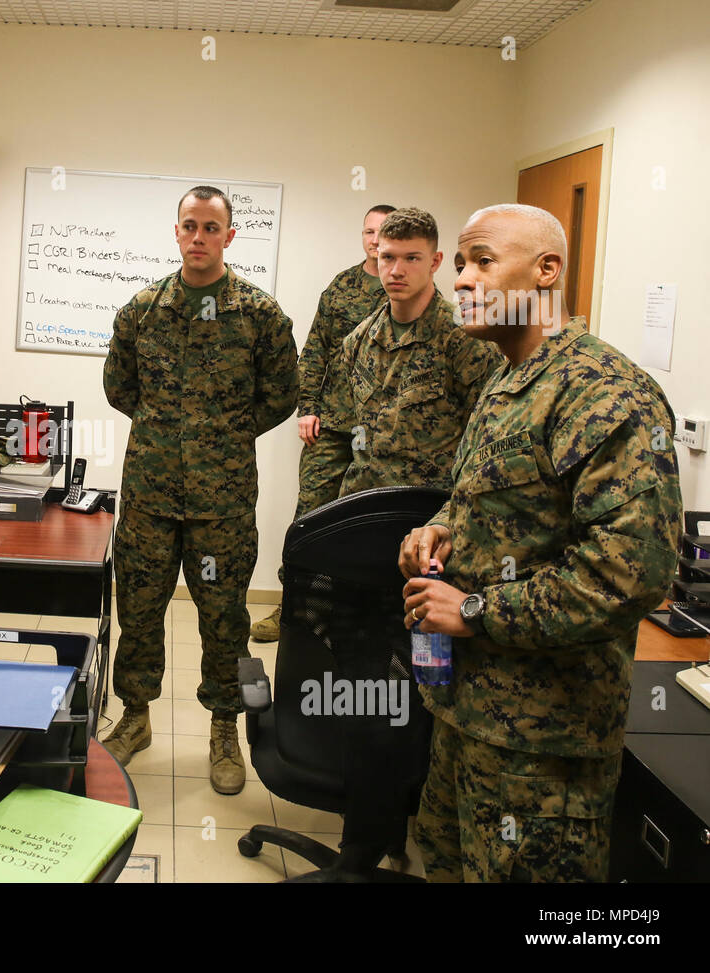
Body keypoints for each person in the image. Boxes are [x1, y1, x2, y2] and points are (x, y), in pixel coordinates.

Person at [399, 204, 681, 882]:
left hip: (542, 751)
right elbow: (492, 498)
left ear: (546, 270)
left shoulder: (603, 392)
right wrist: (440, 524)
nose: (462, 278)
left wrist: (472, 612)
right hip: (467, 716)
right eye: (460, 263)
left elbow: (629, 575)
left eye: (482, 261)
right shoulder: (508, 377)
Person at [101, 186, 298, 794]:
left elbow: (281, 397)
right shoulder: (141, 310)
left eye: (212, 227)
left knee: (225, 620)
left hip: (223, 501)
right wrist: (171, 433)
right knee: (138, 612)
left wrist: (220, 436)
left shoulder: (261, 316)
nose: (199, 237)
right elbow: (119, 388)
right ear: (176, 231)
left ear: (230, 236)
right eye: (190, 225)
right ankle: (135, 718)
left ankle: (225, 727)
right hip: (150, 498)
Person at [250, 204, 393, 643]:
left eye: (383, 233)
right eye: (368, 231)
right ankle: (292, 609)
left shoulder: (410, 290)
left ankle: (351, 618)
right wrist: (307, 407)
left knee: (372, 524)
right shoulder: (343, 286)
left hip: (384, 433)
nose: (374, 240)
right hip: (332, 424)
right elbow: (314, 352)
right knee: (310, 517)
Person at [328, 207, 502, 497]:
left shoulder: (465, 339)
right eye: (388, 257)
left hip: (429, 511)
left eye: (411, 258)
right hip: (364, 503)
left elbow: (487, 440)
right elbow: (345, 433)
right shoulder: (358, 341)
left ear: (435, 262)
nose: (397, 270)